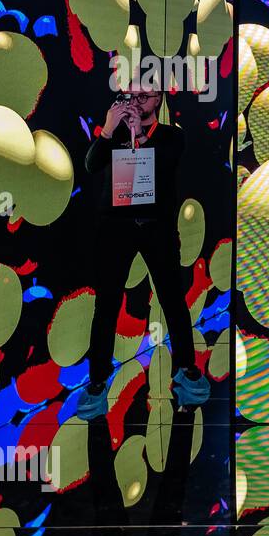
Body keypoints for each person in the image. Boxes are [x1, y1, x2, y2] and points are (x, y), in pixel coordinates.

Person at [76, 84, 209, 420]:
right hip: (115, 229)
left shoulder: (170, 136)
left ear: (159, 100)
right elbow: (91, 165)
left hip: (157, 228)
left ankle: (186, 370)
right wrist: (109, 129)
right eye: (130, 96)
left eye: (144, 96)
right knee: (106, 305)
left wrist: (140, 135)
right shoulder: (112, 134)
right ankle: (97, 382)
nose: (136, 102)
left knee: (172, 301)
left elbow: (165, 166)